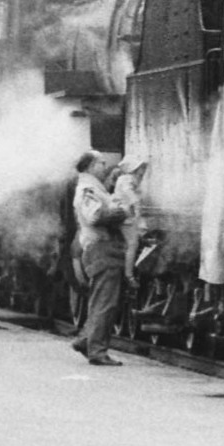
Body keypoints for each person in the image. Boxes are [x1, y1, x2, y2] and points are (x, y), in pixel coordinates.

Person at [71, 151, 141, 366]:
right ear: (91, 165)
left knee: (102, 300)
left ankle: (85, 340)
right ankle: (98, 352)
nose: (105, 166)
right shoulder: (88, 188)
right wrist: (123, 211)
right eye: (101, 163)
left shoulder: (94, 187)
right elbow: (96, 216)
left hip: (102, 248)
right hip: (101, 248)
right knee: (105, 302)